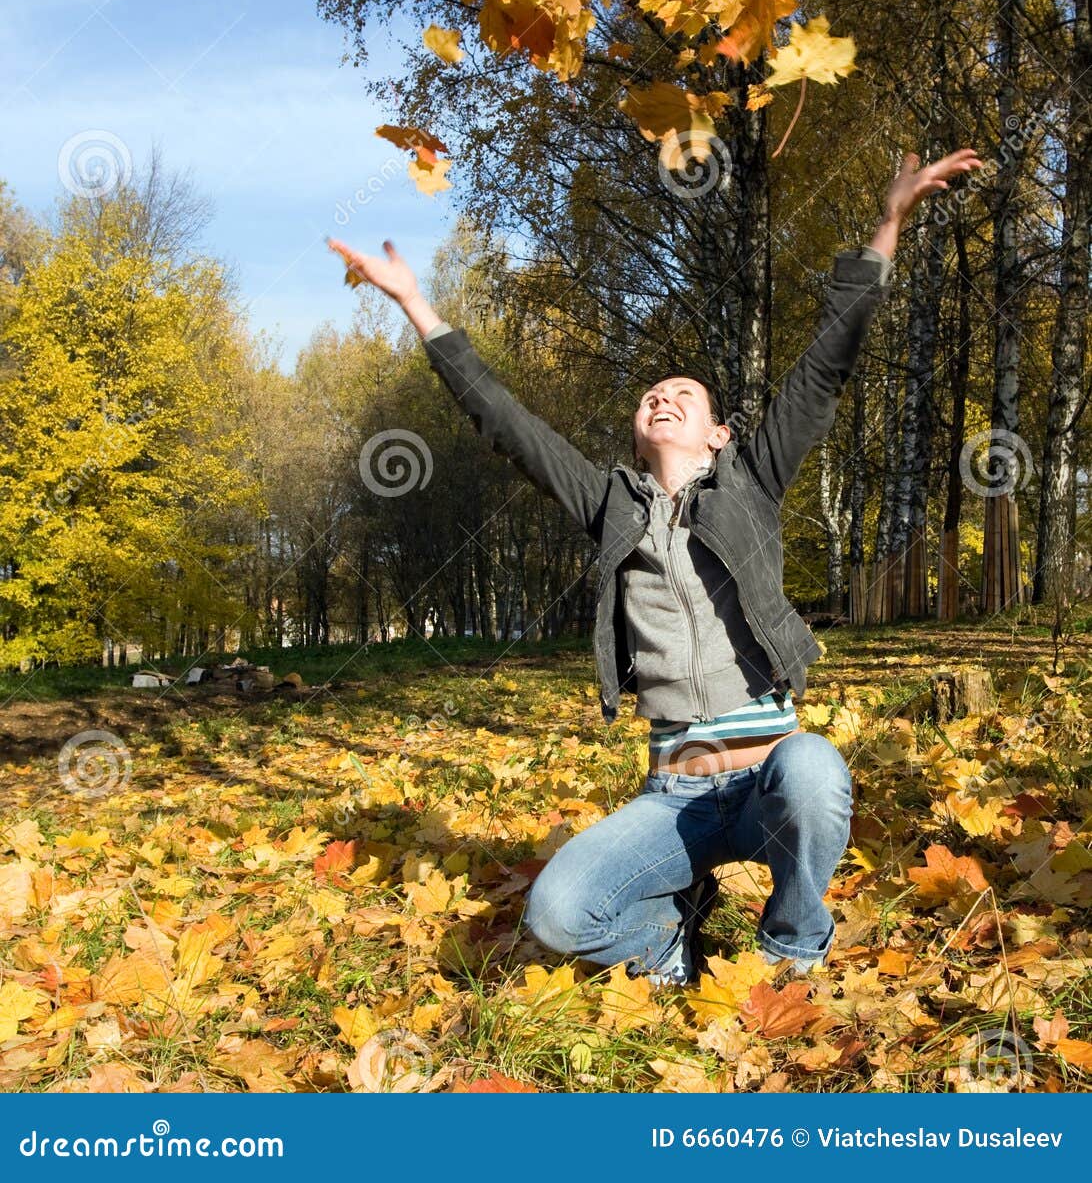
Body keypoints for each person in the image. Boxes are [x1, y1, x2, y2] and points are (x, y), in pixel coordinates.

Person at [330, 146, 983, 987]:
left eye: (686, 394)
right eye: (652, 395)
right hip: (673, 799)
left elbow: (828, 363)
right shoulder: (609, 504)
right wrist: (418, 306)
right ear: (637, 430)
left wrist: (887, 224)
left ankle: (790, 951)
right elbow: (506, 421)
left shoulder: (751, 478)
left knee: (816, 768)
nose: (663, 396)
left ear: (718, 434)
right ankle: (670, 941)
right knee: (557, 915)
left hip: (768, 785)